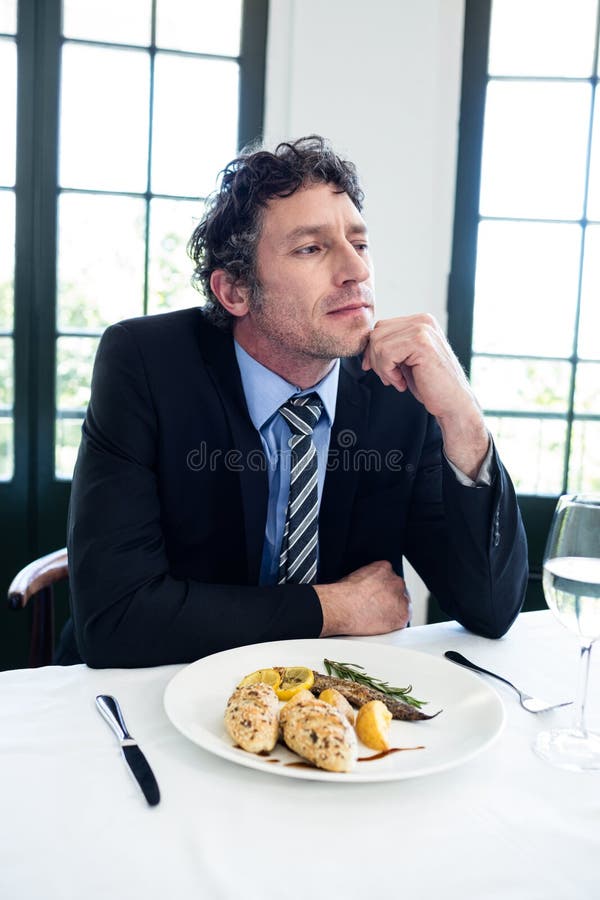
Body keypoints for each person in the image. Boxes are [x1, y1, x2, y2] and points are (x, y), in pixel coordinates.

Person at [64, 135, 528, 668]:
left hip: (324, 709)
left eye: (359, 242)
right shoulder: (145, 364)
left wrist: (464, 419)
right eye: (311, 248)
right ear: (235, 292)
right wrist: (332, 608)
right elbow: (116, 621)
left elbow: (490, 610)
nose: (356, 270)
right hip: (142, 697)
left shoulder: (400, 388)